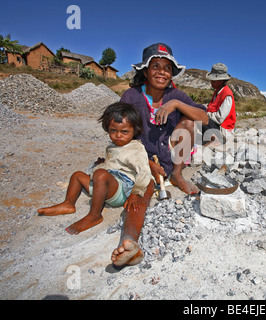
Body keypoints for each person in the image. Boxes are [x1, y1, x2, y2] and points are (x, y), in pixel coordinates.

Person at [108, 43, 209, 267]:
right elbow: (121, 134)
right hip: (141, 158)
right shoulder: (131, 96)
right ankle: (129, 242)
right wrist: (146, 165)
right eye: (156, 66)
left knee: (189, 122)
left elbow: (204, 118)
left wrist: (175, 104)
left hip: (169, 154)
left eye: (167, 67)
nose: (162, 72)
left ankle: (178, 174)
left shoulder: (176, 94)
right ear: (145, 71)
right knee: (141, 194)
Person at [37, 102, 153, 240]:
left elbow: (145, 172)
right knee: (77, 175)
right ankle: (68, 204)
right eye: (113, 131)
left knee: (100, 175)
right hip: (105, 183)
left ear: (135, 130)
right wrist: (104, 163)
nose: (118, 136)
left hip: (121, 189)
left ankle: (94, 215)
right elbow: (115, 162)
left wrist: (135, 193)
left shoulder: (136, 149)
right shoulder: (113, 146)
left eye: (124, 132)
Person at [201, 63, 236, 146]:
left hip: (224, 129)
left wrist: (205, 114)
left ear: (220, 81)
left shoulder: (227, 94)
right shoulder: (218, 91)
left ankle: (216, 139)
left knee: (200, 116)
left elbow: (220, 118)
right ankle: (211, 137)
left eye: (213, 81)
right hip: (216, 125)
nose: (211, 82)